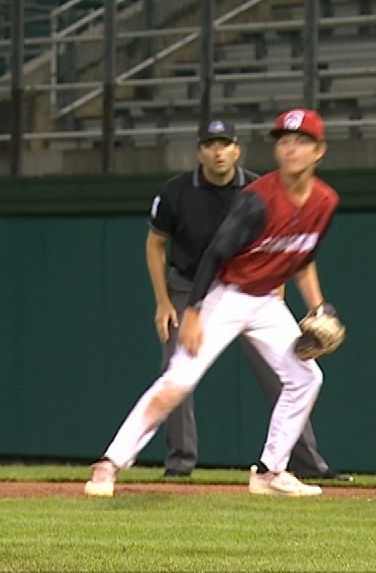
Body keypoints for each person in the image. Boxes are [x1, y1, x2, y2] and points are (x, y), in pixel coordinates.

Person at [85, 108, 340, 498]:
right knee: (178, 382)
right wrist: (193, 312)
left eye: (301, 141)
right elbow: (214, 256)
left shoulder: (324, 201)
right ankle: (110, 464)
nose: (290, 148)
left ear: (319, 151)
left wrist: (319, 307)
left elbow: (302, 258)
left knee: (307, 377)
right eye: (284, 141)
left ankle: (270, 471)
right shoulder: (257, 199)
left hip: (267, 301)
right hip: (227, 294)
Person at [148, 119, 348, 481]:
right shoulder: (177, 191)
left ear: (237, 149)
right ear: (200, 152)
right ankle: (179, 465)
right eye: (210, 144)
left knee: (290, 373)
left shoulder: (260, 187)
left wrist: (291, 296)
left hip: (252, 292)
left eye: (225, 143)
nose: (218, 151)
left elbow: (295, 252)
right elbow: (155, 244)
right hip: (188, 288)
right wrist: (164, 302)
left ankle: (301, 464)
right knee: (177, 374)